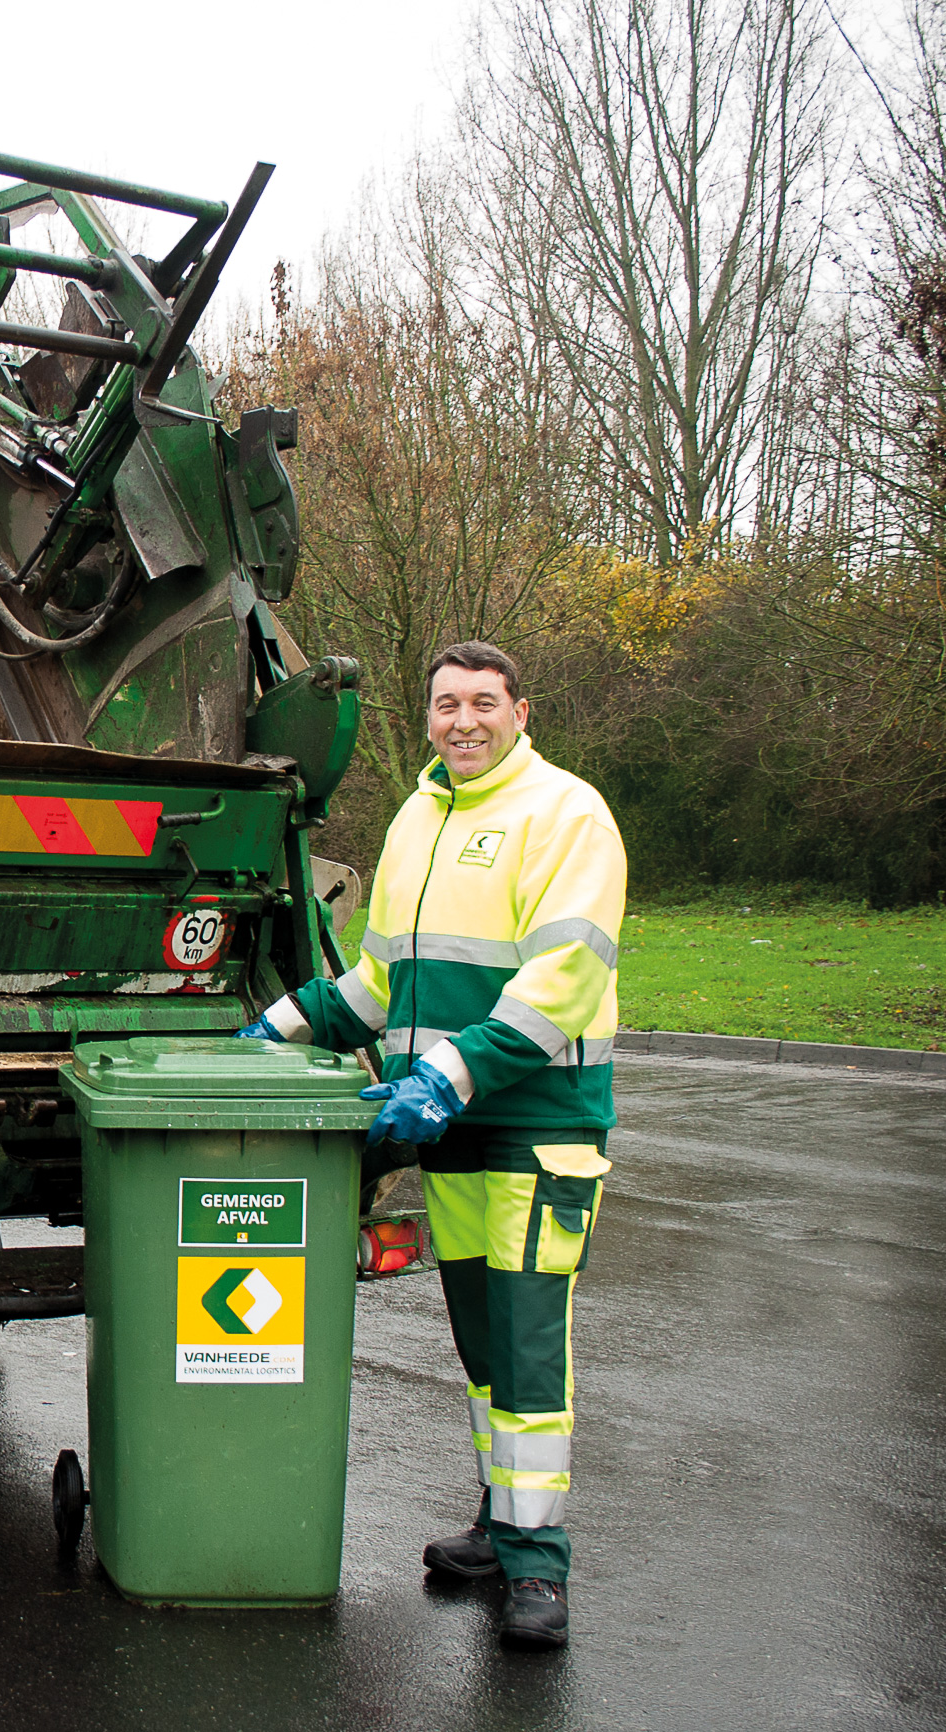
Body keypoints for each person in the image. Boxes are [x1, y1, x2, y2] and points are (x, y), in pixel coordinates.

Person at [241, 641, 624, 1650]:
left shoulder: (565, 814)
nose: (464, 721)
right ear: (426, 718)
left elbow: (562, 982)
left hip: (535, 1123)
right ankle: (498, 1527)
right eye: (446, 704)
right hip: (447, 1124)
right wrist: (272, 1028)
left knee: (528, 1344)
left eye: (483, 703)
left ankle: (538, 1565)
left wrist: (444, 1077)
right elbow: (379, 982)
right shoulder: (416, 818)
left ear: (518, 712)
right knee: (482, 1342)